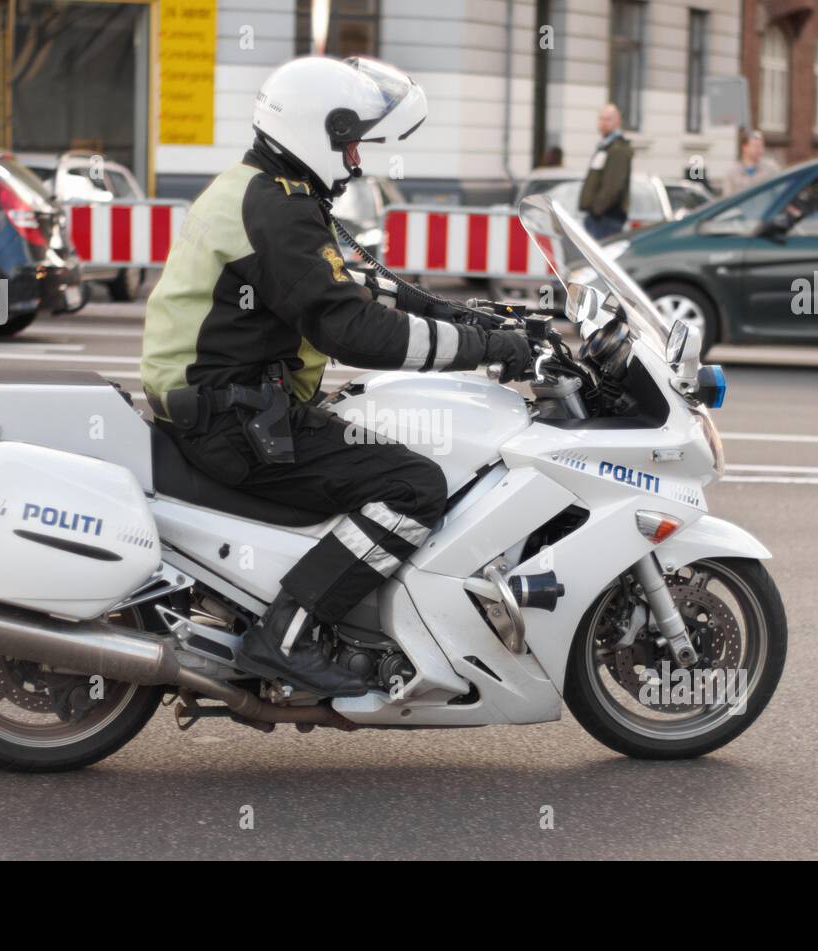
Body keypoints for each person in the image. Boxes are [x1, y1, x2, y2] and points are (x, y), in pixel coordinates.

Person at [140, 56, 532, 698]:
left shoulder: (270, 191)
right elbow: (348, 328)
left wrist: (489, 319)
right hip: (233, 421)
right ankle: (288, 635)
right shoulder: (276, 208)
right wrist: (486, 349)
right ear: (315, 130)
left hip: (234, 405)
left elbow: (375, 284)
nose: (356, 159)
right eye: (350, 143)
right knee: (414, 485)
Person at [578, 103, 633, 239]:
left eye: (608, 119)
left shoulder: (618, 149)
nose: (603, 123)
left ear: (618, 121)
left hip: (607, 218)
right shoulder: (605, 146)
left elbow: (613, 187)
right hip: (598, 218)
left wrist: (597, 209)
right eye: (601, 119)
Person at [723, 129, 780, 196]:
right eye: (755, 146)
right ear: (745, 147)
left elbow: (781, 191)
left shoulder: (771, 168)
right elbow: (727, 200)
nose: (759, 150)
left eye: (761, 146)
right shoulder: (732, 173)